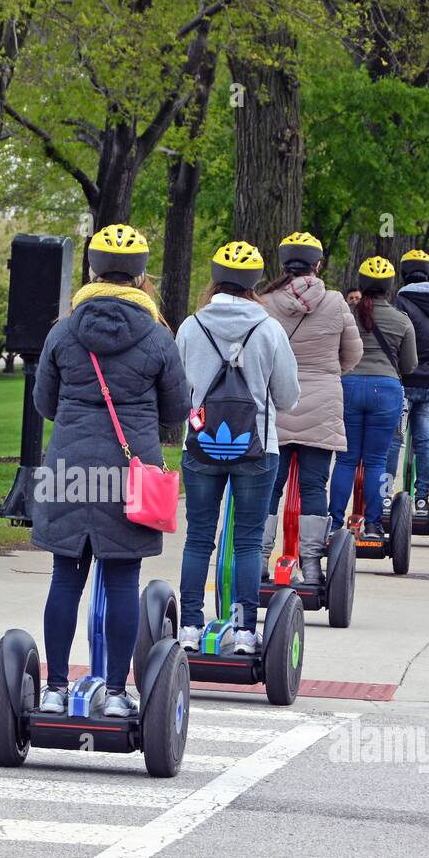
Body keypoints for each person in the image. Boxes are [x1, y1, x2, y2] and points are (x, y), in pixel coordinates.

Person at [31, 224, 188, 717]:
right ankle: (118, 695)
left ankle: (54, 689)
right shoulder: (158, 336)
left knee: (65, 578)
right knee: (122, 581)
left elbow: (44, 402)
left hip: (68, 469)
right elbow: (177, 410)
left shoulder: (63, 329)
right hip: (129, 472)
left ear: (92, 269)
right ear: (142, 276)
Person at [175, 241, 300, 652]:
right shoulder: (269, 329)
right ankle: (246, 631)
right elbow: (287, 397)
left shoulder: (192, 326)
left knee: (199, 538)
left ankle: (190, 627)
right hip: (257, 448)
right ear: (255, 283)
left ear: (215, 278)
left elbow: (179, 392)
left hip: (201, 446)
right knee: (247, 541)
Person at [259, 233, 362, 585]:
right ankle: (312, 566)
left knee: (270, 485)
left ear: (284, 265)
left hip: (277, 404)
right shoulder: (335, 303)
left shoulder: (266, 301)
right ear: (318, 265)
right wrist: (328, 373)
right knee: (315, 486)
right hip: (322, 403)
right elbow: (353, 354)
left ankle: (257, 560)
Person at [328, 256, 416, 538]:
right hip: (386, 390)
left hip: (349, 386)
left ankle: (333, 524)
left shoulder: (348, 315)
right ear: (390, 287)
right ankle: (374, 525)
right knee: (377, 461)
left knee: (345, 460)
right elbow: (409, 365)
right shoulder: (401, 320)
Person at [384, 248, 429, 519]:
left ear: (404, 273)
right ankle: (422, 500)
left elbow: (396, 345)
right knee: (424, 440)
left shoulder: (399, 305)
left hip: (404, 383)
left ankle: (387, 497)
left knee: (396, 440)